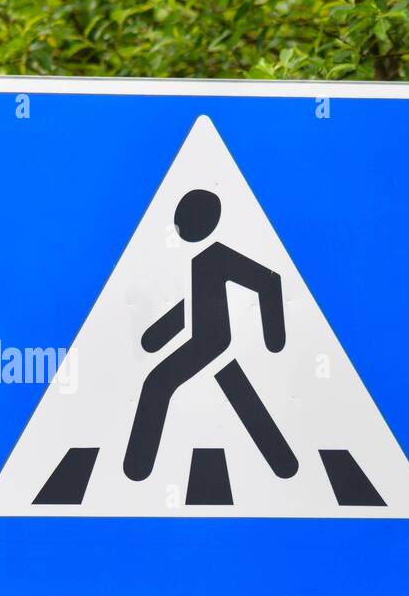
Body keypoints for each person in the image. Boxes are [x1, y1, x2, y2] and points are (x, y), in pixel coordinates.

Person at [123, 188, 299, 482]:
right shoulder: (198, 261)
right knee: (240, 394)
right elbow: (191, 306)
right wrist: (155, 337)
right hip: (208, 342)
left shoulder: (218, 256)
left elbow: (268, 282)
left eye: (184, 220)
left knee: (157, 383)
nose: (179, 228)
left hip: (212, 342)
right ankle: (285, 465)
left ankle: (137, 469)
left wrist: (274, 339)